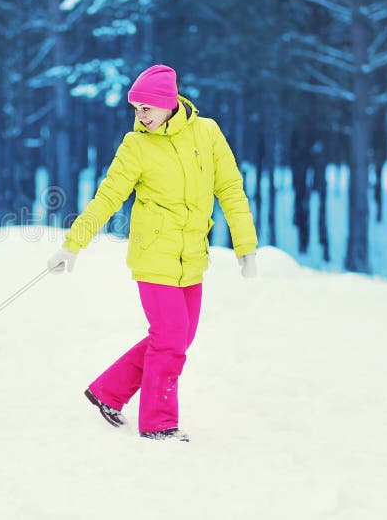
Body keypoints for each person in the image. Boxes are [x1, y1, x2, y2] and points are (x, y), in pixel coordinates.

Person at [47, 64, 257, 442]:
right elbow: (107, 198)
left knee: (175, 338)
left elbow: (230, 188)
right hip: (153, 257)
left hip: (191, 256)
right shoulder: (136, 146)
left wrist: (245, 244)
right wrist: (72, 244)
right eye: (135, 109)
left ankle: (108, 392)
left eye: (146, 108)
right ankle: (159, 424)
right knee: (172, 338)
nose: (139, 116)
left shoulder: (207, 133)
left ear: (169, 104)